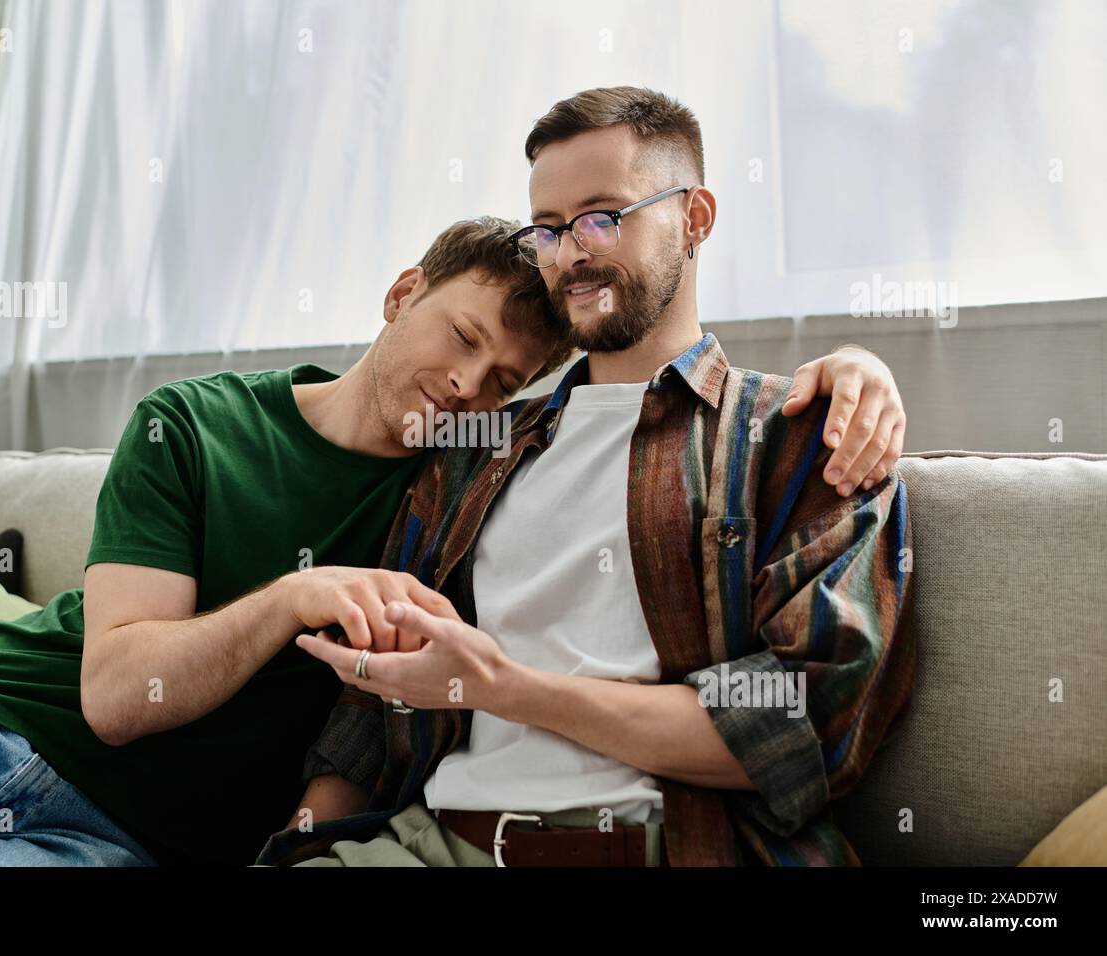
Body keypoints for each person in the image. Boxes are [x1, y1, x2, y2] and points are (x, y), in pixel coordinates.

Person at [0, 187, 905, 868]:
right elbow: (114, 694)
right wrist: (294, 594)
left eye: (503, 378)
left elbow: (681, 417)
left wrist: (851, 370)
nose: (464, 384)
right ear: (400, 293)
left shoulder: (469, 500)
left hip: (125, 844)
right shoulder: (196, 423)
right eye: (460, 334)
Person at [261, 87, 916, 868]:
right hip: (432, 846)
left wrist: (502, 686)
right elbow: (368, 707)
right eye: (549, 228)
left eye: (604, 216)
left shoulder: (800, 436)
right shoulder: (479, 448)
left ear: (695, 218)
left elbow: (801, 724)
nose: (571, 253)